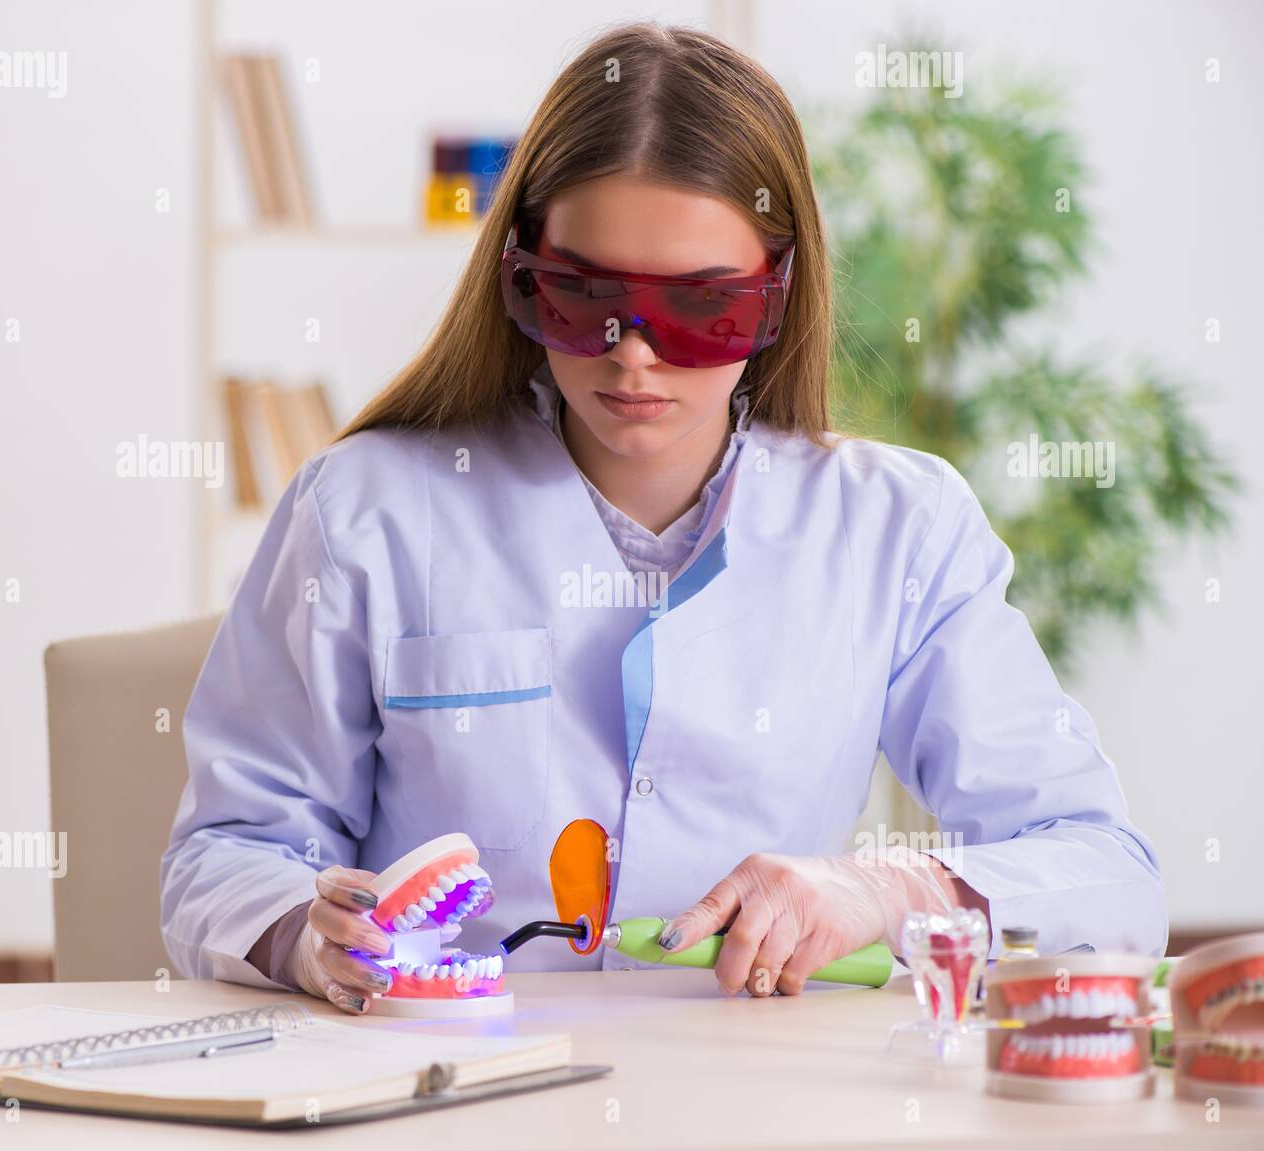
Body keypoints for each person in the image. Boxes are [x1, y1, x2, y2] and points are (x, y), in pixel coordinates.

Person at [161, 22, 1167, 1014]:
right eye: (583, 296)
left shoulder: (898, 528)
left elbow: (1107, 874)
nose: (633, 355)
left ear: (777, 296)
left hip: (758, 1113)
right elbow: (225, 852)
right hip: (446, 1100)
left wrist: (887, 889)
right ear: (519, 276)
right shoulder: (365, 512)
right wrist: (304, 930)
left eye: (700, 308)